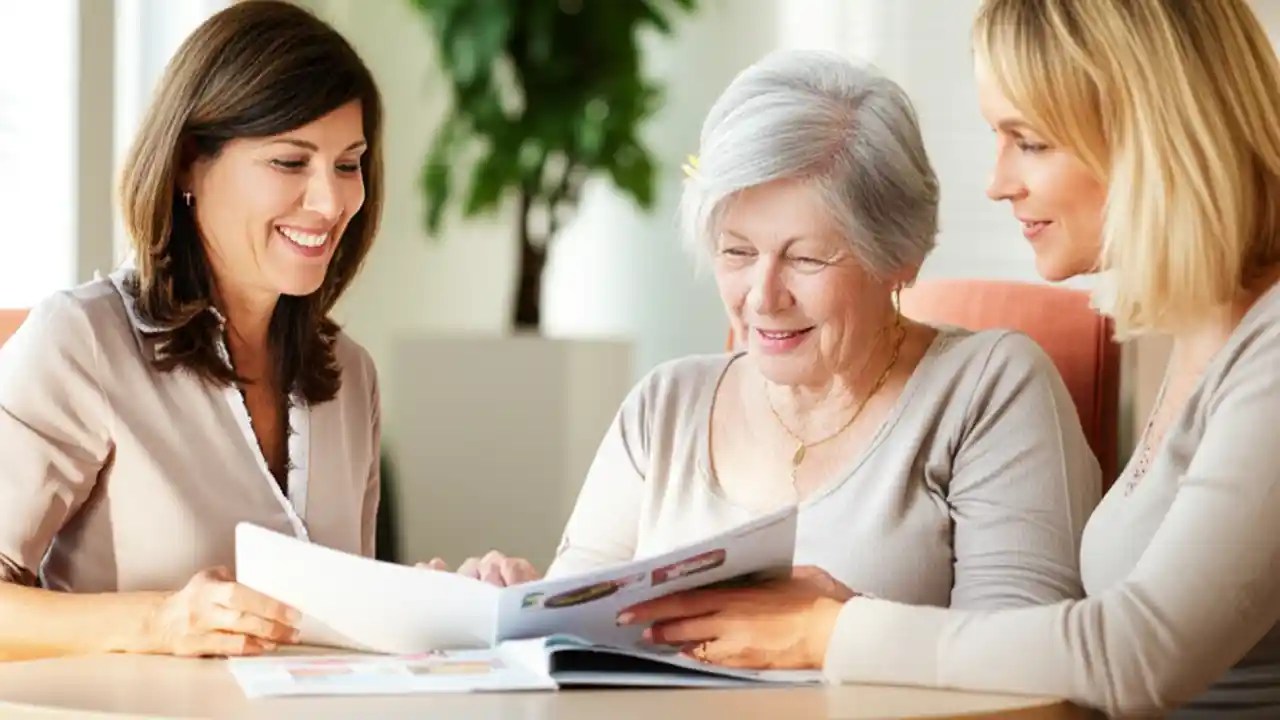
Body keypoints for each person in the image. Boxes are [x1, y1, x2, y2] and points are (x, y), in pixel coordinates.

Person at [619, 1, 1280, 716]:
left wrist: (833, 632)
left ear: (1150, 134)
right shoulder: (1198, 331)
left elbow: (1137, 656)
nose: (997, 182)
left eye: (1028, 142)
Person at [430, 50, 1101, 619]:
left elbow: (1024, 671)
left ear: (900, 256)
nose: (762, 297)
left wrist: (838, 624)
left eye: (806, 258)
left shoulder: (988, 388)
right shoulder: (666, 406)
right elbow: (576, 628)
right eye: (736, 251)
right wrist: (517, 606)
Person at [0, 0, 384, 660]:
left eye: (348, 164)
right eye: (290, 163)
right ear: (187, 164)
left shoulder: (351, 374)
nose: (332, 201)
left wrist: (443, 608)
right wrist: (159, 623)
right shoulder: (83, 341)